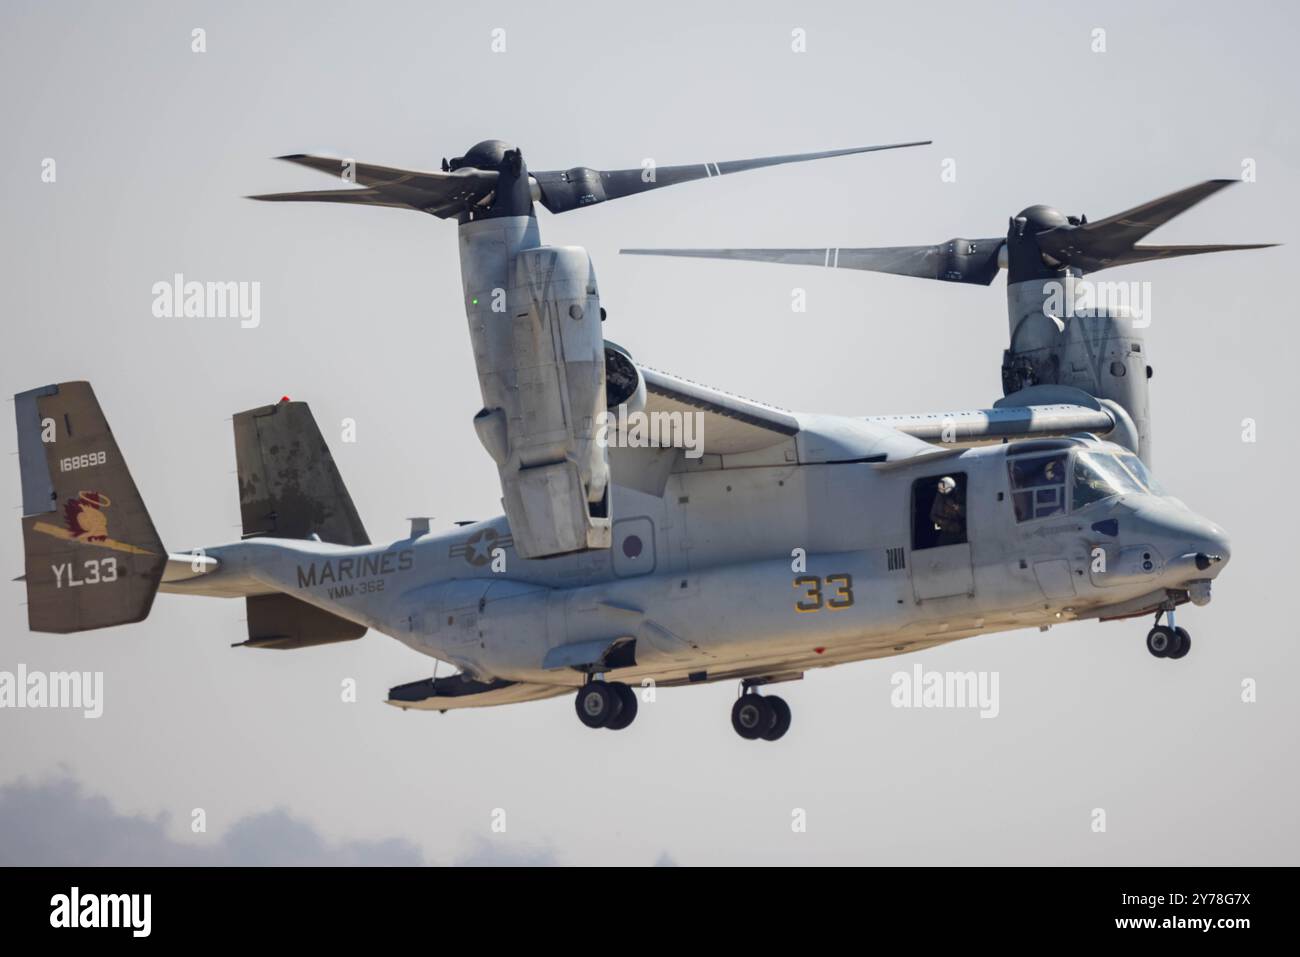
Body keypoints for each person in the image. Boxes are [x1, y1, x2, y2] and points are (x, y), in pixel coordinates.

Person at [929, 476, 964, 542]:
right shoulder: (939, 496)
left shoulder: (961, 494)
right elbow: (932, 516)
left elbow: (967, 513)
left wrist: (955, 506)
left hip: (961, 533)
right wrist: (943, 522)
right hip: (946, 533)